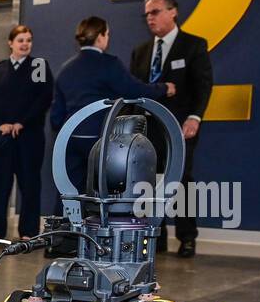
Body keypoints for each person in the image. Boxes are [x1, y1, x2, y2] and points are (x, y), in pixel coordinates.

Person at [50, 16, 174, 207]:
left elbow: (56, 117)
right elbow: (135, 90)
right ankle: (98, 235)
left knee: (69, 193)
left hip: (70, 139)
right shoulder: (109, 63)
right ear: (100, 37)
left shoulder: (66, 68)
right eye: (107, 34)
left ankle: (63, 234)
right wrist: (164, 88)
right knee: (102, 193)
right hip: (98, 137)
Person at [129, 0, 213, 258]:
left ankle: (187, 238)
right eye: (147, 14)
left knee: (182, 181)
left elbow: (203, 86)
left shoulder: (193, 46)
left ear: (172, 12)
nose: (150, 18)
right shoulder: (140, 51)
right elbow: (134, 90)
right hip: (148, 128)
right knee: (149, 182)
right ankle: (157, 236)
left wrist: (195, 117)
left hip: (179, 126)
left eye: (155, 12)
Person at [0, 24, 52, 242]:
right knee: (0, 185)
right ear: (10, 43)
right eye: (20, 40)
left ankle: (28, 231)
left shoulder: (38, 66)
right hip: (1, 137)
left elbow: (43, 99)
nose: (25, 44)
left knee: (29, 184)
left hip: (28, 137)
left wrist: (23, 122)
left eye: (28, 40)